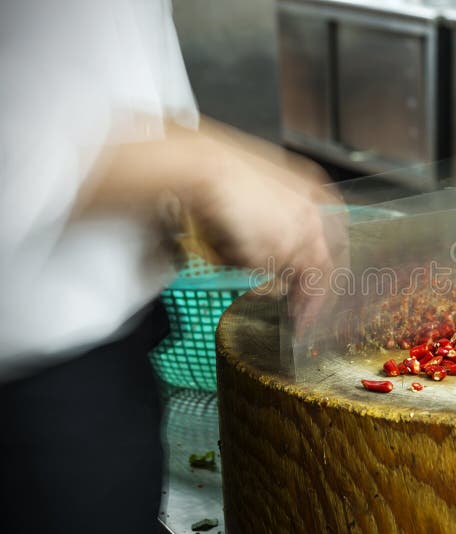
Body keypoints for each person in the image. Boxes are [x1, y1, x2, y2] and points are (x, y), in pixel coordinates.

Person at [0, 1, 336, 532]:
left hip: (115, 369)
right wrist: (202, 169)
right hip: (24, 403)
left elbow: (99, 78)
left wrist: (217, 157)